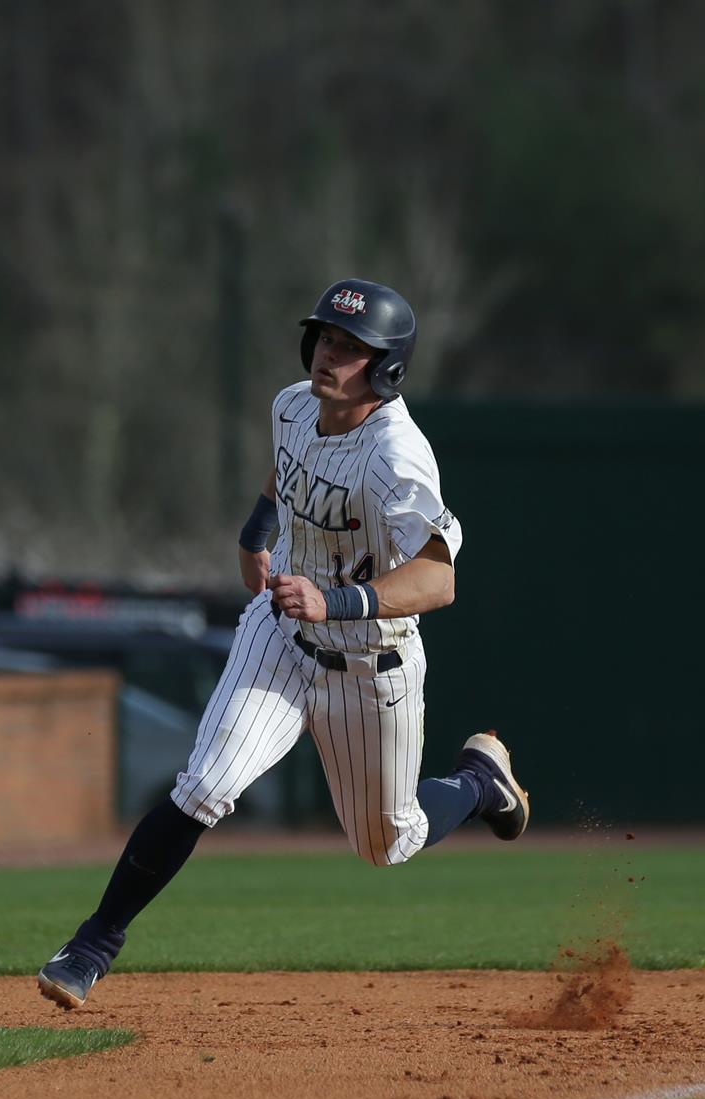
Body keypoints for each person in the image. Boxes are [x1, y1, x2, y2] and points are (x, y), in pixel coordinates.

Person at [37, 278, 529, 1008]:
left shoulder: (397, 455)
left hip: (372, 660)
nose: (332, 353)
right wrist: (254, 534)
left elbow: (437, 579)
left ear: (387, 367)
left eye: (354, 348)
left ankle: (479, 781)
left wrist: (337, 600)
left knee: (386, 843)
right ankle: (90, 946)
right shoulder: (293, 404)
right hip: (281, 635)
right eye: (328, 337)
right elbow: (286, 473)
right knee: (204, 784)